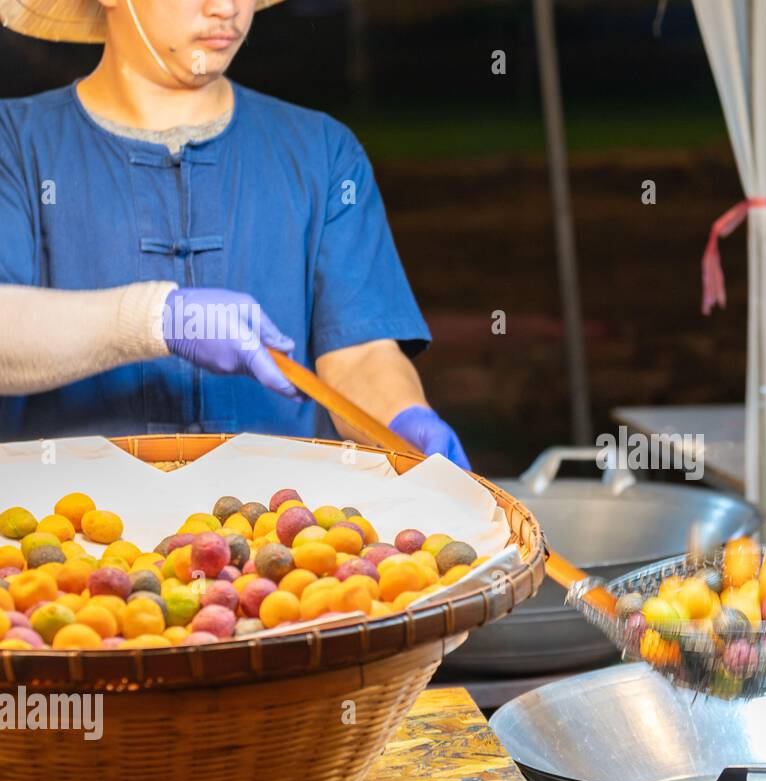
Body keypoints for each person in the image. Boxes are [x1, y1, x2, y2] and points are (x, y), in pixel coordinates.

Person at [0, 0, 469, 468]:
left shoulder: (325, 153)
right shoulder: (14, 145)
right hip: (68, 530)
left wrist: (402, 416)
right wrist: (154, 319)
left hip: (281, 529)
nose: (226, 8)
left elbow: (359, 351)